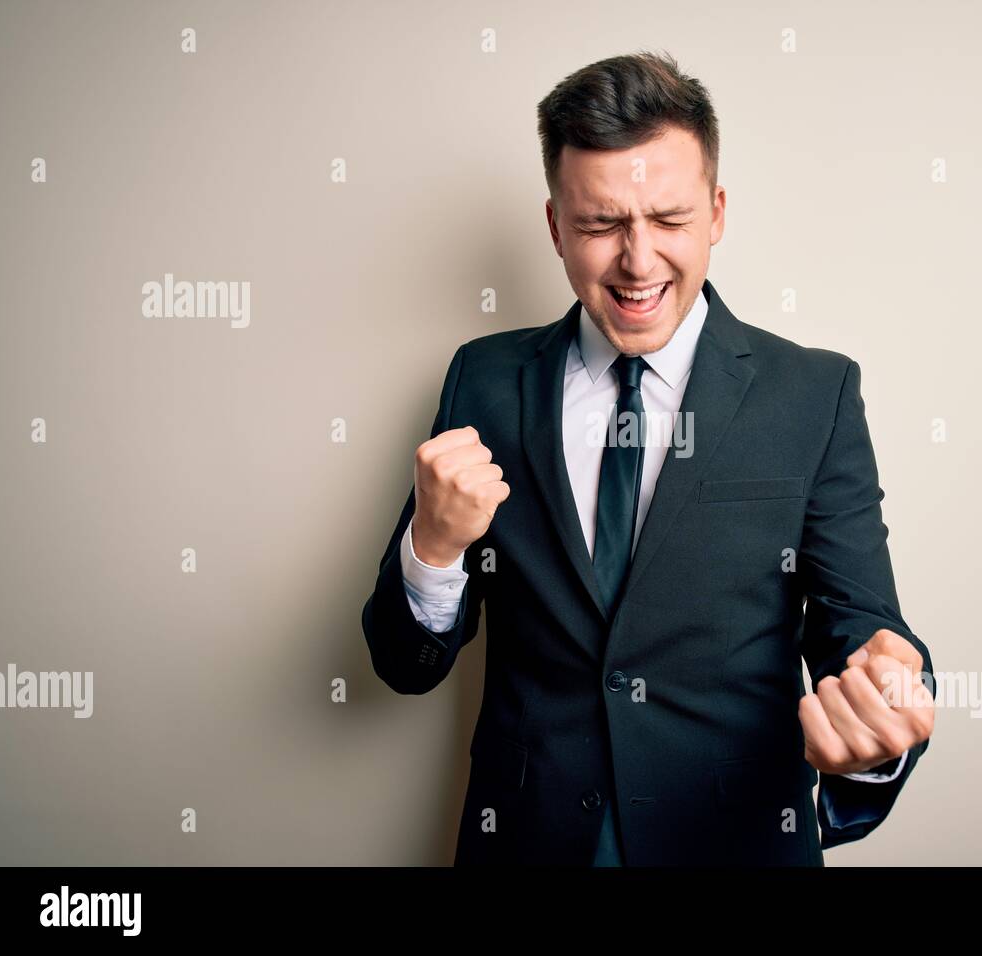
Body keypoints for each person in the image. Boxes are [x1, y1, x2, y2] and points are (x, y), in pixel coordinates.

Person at [361, 50, 935, 866]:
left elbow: (866, 633)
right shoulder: (482, 380)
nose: (638, 262)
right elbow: (402, 666)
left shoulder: (816, 394)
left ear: (717, 212)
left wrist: (884, 716)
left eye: (669, 220)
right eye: (600, 226)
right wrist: (435, 548)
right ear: (556, 225)